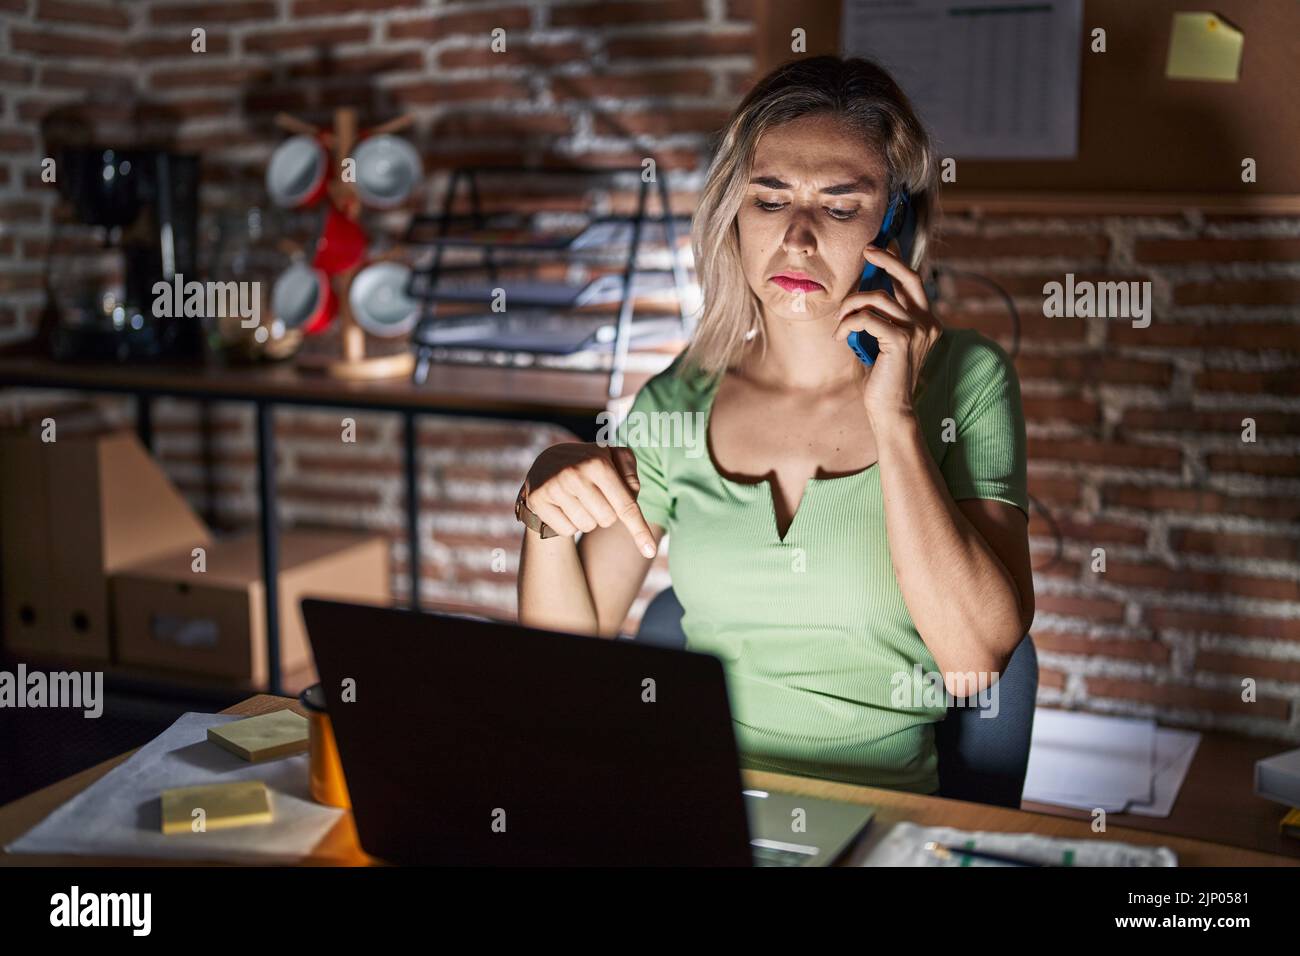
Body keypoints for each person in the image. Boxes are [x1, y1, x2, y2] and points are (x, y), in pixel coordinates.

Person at [515, 56, 1033, 794]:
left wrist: (893, 415)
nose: (797, 239)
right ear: (734, 212)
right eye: (770, 200)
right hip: (702, 806)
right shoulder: (679, 401)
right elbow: (566, 665)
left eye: (841, 206)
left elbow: (975, 660)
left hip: (877, 818)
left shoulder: (968, 378)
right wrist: (542, 509)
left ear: (894, 222)